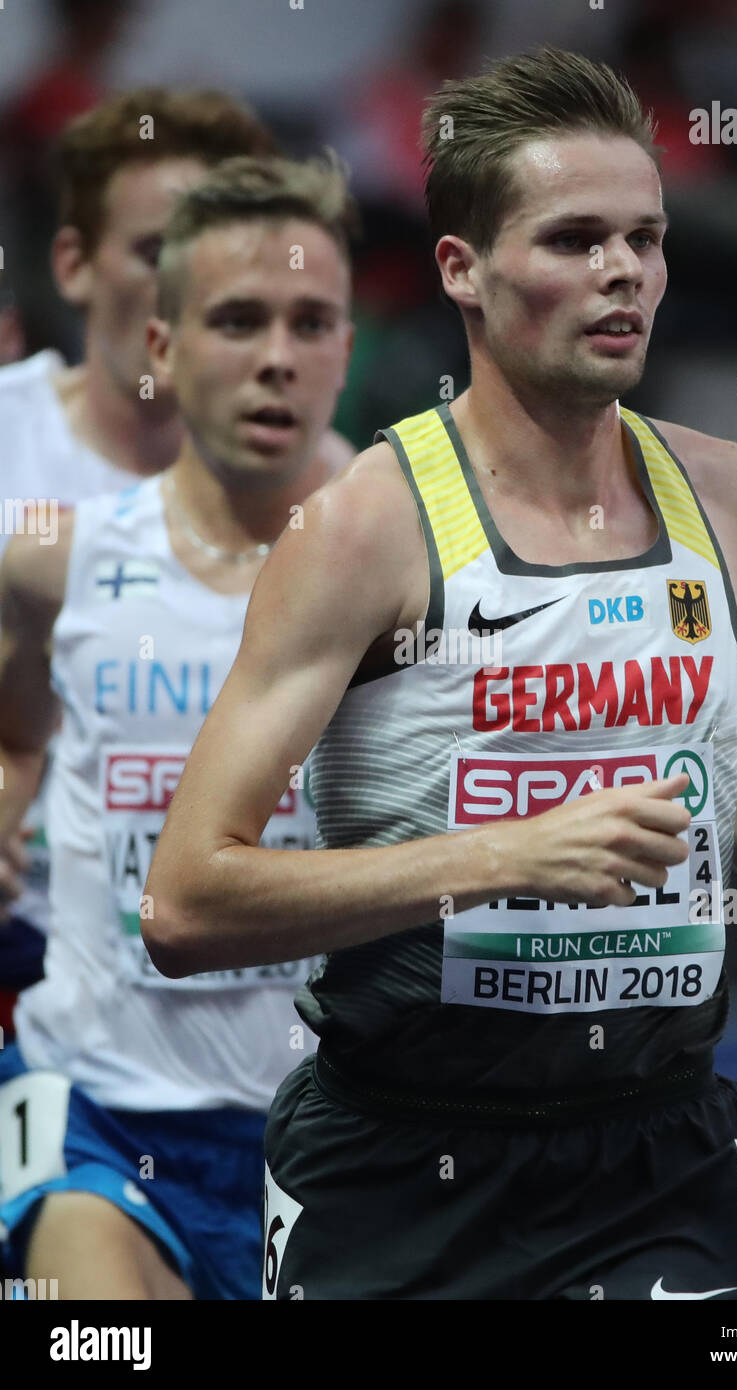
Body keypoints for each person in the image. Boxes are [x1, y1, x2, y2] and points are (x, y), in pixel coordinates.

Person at [143, 49, 737, 1301]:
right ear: (460, 267)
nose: (623, 271)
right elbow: (187, 904)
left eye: (645, 238)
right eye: (573, 239)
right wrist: (503, 857)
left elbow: (697, 704)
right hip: (403, 1164)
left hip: (659, 1154)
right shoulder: (362, 528)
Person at [0, 153, 357, 1299]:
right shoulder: (55, 563)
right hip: (100, 1115)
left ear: (347, 344)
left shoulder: (408, 574)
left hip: (340, 1132)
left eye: (311, 323)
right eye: (237, 320)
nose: (275, 358)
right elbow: (15, 737)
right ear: (161, 348)